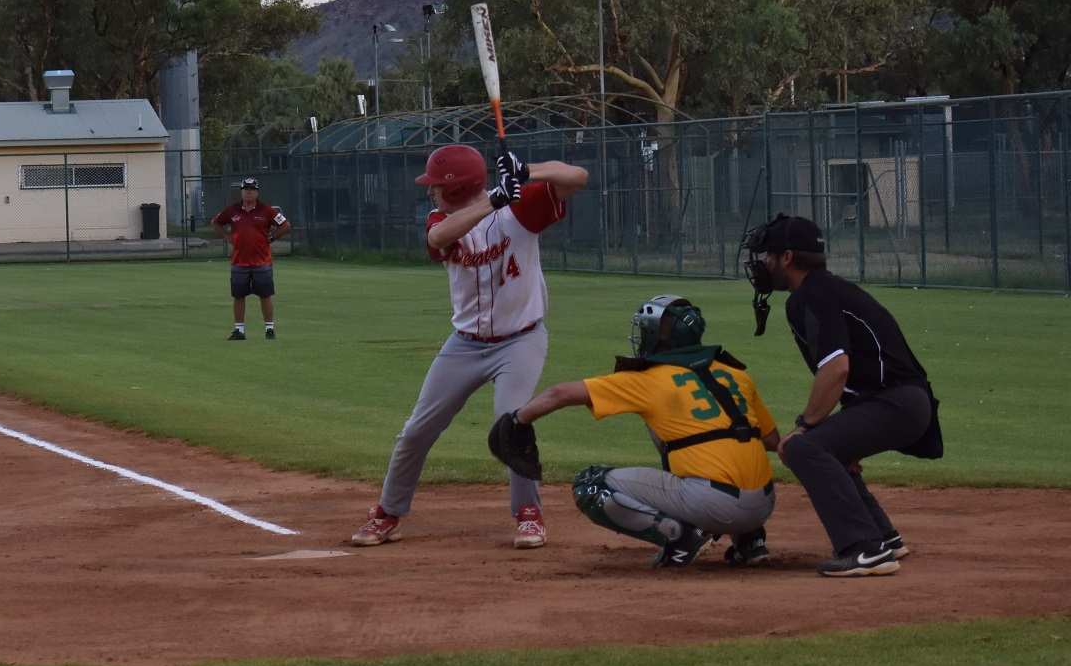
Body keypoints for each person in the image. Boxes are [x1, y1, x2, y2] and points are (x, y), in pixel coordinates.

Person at [351, 144, 589, 550]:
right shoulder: (445, 218)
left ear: (456, 188)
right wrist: (495, 199)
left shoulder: (523, 209)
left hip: (521, 340)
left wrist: (527, 168)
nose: (430, 192)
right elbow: (438, 236)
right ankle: (388, 512)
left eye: (436, 186)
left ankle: (529, 515)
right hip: (464, 344)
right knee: (416, 431)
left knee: (511, 423)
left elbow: (577, 177)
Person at [508, 295, 779, 568]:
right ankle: (750, 541)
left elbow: (560, 393)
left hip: (711, 505)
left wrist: (517, 420)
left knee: (590, 484)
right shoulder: (736, 373)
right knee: (721, 439)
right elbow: (770, 440)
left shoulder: (649, 380)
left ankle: (681, 537)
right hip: (763, 504)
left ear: (658, 336)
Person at [742, 213, 943, 578]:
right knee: (828, 447)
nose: (762, 264)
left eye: (767, 256)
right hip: (902, 401)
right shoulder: (827, 288)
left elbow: (837, 369)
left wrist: (806, 426)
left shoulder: (811, 296)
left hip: (896, 403)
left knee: (804, 447)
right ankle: (883, 537)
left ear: (787, 258)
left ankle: (864, 549)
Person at [211, 178, 290, 340]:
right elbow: (215, 222)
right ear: (241, 191)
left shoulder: (266, 210)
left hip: (262, 262)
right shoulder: (232, 210)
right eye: (246, 189)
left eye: (252, 189)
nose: (249, 192)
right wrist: (227, 237)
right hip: (239, 261)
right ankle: (239, 330)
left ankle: (269, 329)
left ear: (257, 192)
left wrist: (272, 237)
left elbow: (286, 225)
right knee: (238, 295)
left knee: (265, 295)